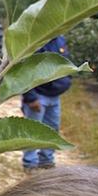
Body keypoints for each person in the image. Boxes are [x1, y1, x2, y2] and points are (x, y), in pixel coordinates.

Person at [21, 35, 72, 170]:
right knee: (33, 130)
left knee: (52, 128)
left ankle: (46, 160)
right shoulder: (36, 41)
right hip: (38, 94)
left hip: (55, 96)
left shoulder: (60, 40)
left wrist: (67, 79)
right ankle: (30, 163)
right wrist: (30, 97)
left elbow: (65, 61)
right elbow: (24, 71)